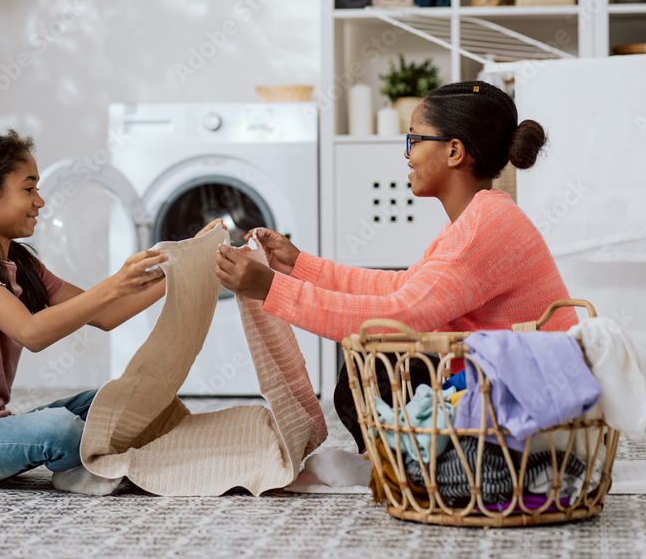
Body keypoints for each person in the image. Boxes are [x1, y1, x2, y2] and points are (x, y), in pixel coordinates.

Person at [215, 81, 577, 452]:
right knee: (373, 368)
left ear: (454, 151)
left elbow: (397, 315)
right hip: (514, 386)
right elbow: (402, 288)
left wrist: (270, 289)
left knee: (374, 367)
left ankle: (426, 467)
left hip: (531, 404)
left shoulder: (483, 227)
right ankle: (416, 460)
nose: (407, 155)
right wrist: (298, 265)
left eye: (414, 140)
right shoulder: (478, 217)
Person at [0, 130, 219, 492]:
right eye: (29, 189)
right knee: (58, 429)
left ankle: (86, 460)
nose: (39, 201)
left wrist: (188, 262)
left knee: (119, 400)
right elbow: (31, 332)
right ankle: (83, 465)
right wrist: (115, 282)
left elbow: (107, 315)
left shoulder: (21, 261)